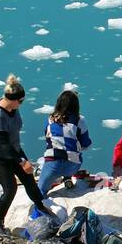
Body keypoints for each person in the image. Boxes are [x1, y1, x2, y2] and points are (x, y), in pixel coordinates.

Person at [0, 74, 56, 237]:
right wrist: (21, 161)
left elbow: (13, 142)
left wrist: (23, 161)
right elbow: (3, 144)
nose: (21, 105)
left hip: (13, 151)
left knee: (28, 178)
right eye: (20, 101)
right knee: (10, 188)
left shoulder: (13, 111)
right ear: (13, 99)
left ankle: (41, 207)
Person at [28, 89, 91, 220]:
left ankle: (35, 219)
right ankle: (67, 177)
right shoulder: (80, 120)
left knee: (40, 192)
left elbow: (48, 139)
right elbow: (86, 145)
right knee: (74, 155)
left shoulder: (50, 120)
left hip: (53, 165)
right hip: (73, 166)